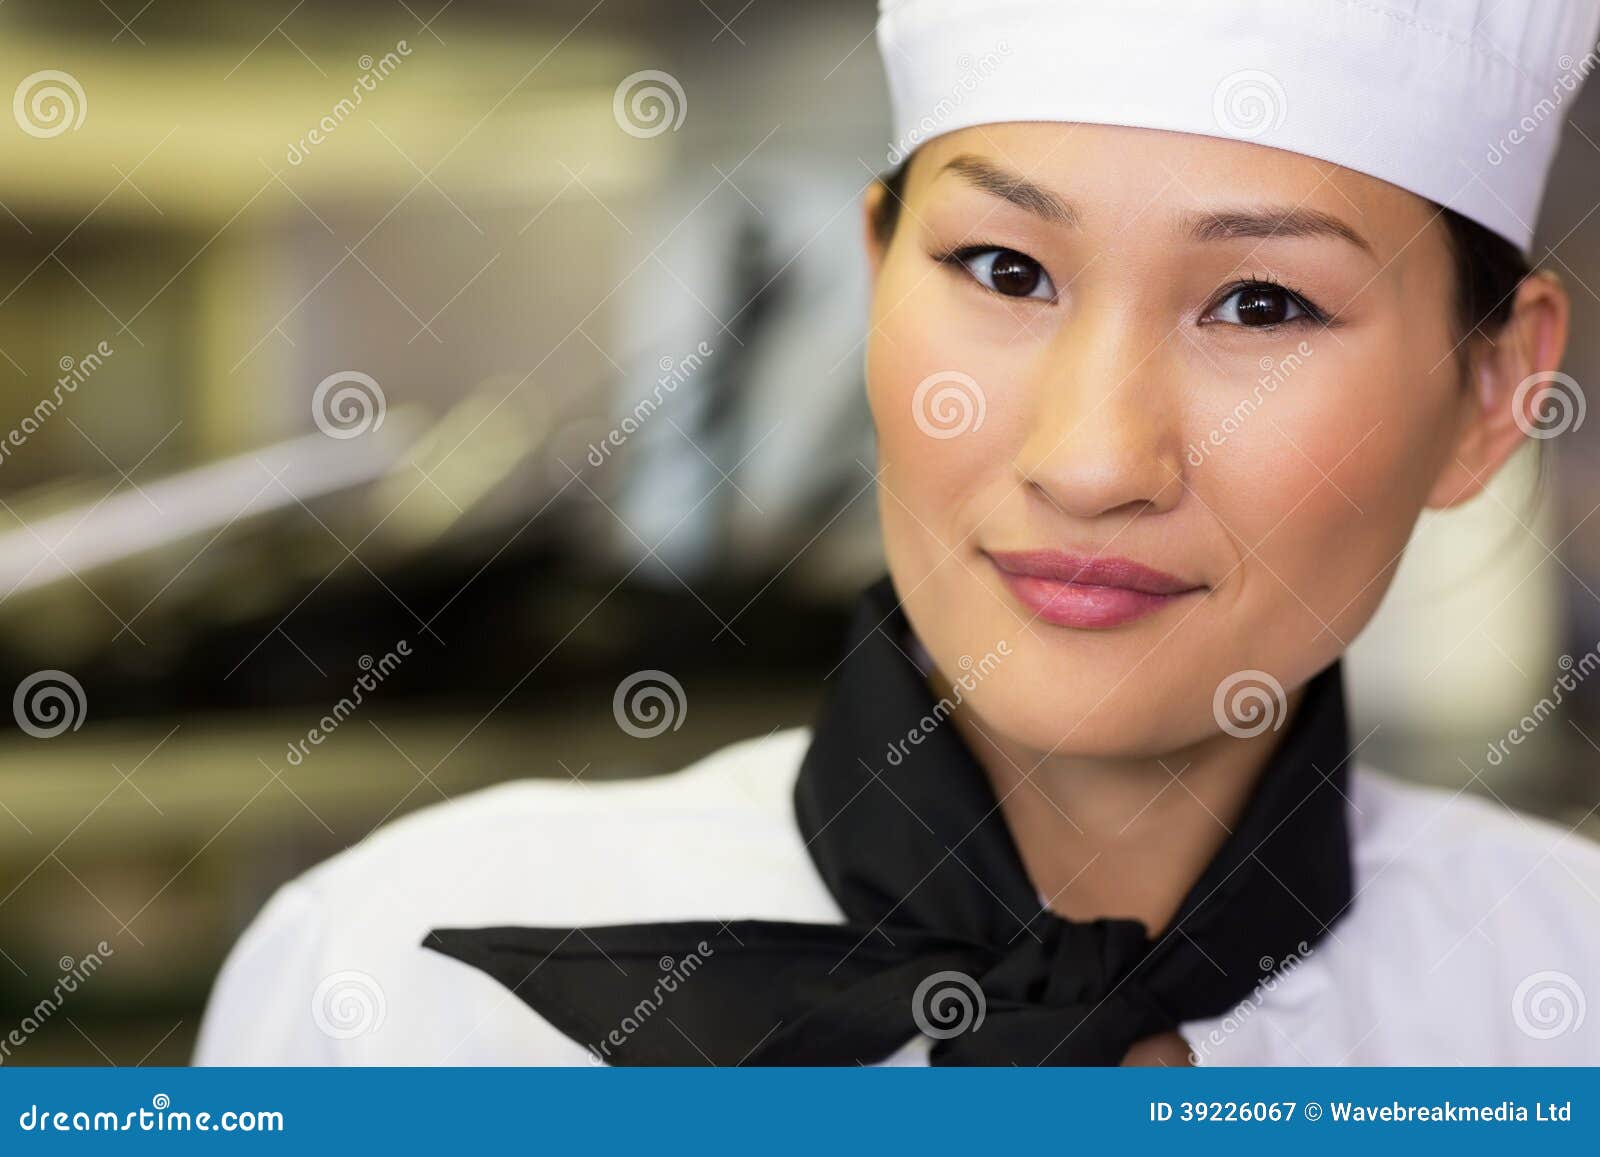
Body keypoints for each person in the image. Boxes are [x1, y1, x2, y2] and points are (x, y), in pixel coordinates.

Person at [194, 0, 1600, 1065]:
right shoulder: (393, 995)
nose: (1092, 462)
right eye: (1006, 269)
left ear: (1492, 392)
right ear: (877, 283)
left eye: (1262, 304)